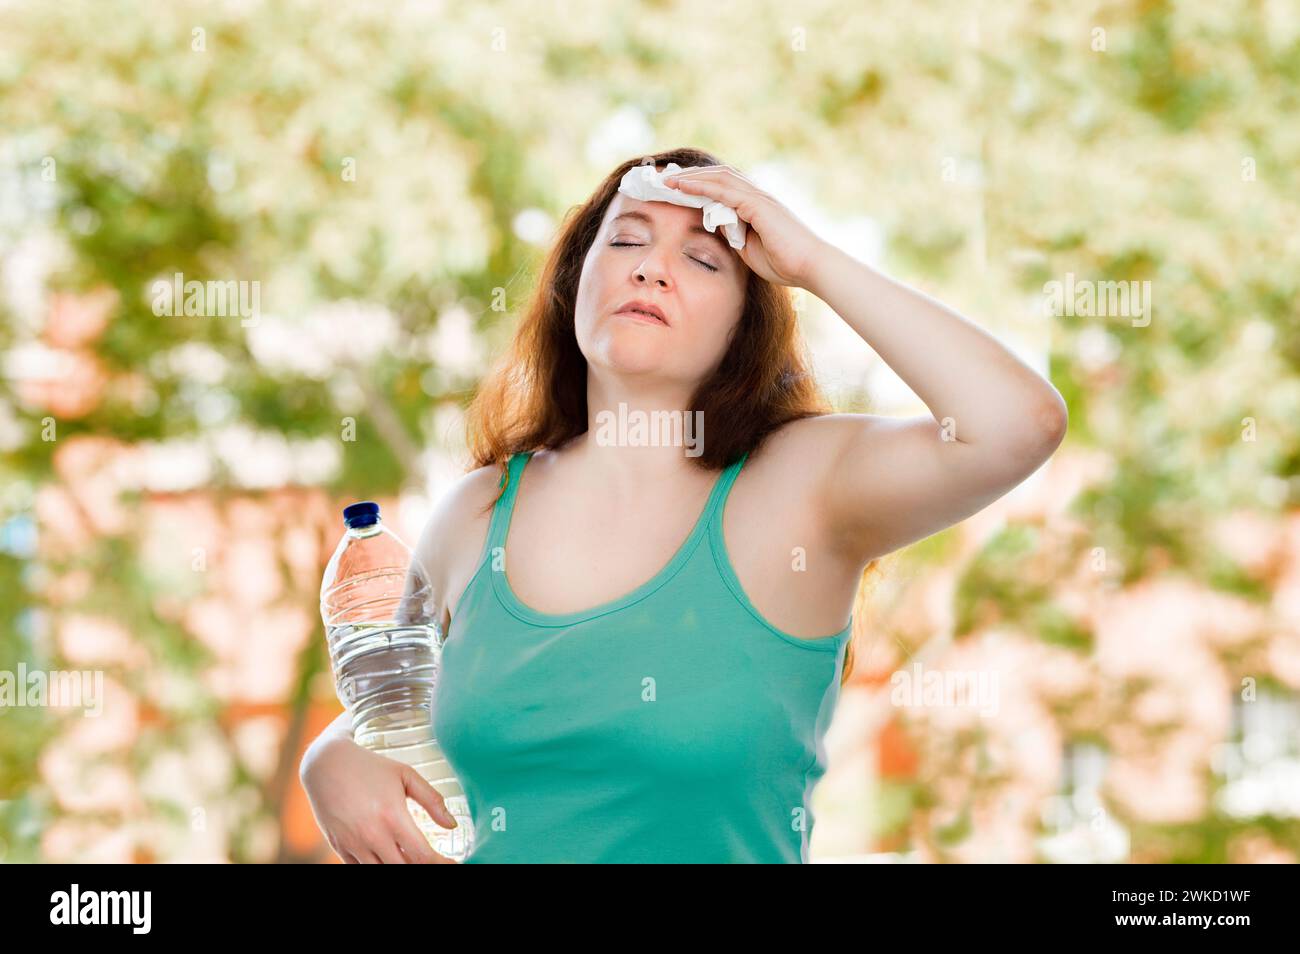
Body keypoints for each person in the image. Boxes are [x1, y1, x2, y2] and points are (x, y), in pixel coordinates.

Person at [299, 146, 1067, 863]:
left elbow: (1016, 425)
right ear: (576, 283)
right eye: (626, 243)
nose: (652, 271)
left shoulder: (800, 487)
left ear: (742, 328)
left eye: (701, 258)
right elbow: (396, 710)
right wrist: (329, 758)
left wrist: (812, 262)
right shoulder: (475, 511)